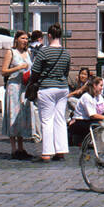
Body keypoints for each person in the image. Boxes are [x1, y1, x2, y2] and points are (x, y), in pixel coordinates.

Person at [28, 23, 71, 161]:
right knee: (60, 119)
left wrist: (33, 82)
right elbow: (66, 72)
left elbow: (35, 72)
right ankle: (61, 151)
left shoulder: (44, 52)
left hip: (47, 88)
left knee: (46, 120)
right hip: (63, 88)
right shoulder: (66, 53)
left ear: (49, 36)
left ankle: (47, 152)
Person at [2, 31, 33, 160]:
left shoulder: (28, 53)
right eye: (23, 38)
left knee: (22, 116)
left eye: (27, 38)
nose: (25, 40)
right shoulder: (11, 52)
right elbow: (4, 71)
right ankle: (14, 148)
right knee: (13, 115)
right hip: (14, 87)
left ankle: (21, 147)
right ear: (17, 39)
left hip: (24, 87)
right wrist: (18, 68)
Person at [72, 77, 104, 142]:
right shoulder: (87, 97)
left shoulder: (99, 96)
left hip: (92, 120)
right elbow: (92, 115)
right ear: (94, 85)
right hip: (82, 121)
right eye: (101, 86)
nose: (102, 88)